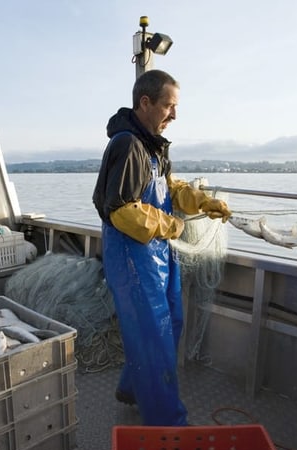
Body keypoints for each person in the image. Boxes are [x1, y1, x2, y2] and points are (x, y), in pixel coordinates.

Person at [92, 69, 231, 426]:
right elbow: (121, 210)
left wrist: (203, 202)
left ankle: (133, 389)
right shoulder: (128, 145)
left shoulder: (152, 145)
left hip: (157, 254)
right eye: (169, 106)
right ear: (145, 102)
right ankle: (168, 425)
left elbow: (171, 187)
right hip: (133, 258)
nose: (175, 115)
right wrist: (171, 225)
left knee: (170, 323)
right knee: (154, 337)